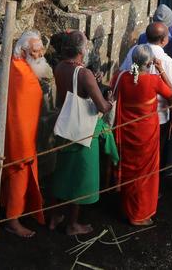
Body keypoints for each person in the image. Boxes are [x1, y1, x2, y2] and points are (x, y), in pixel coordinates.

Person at [49, 30, 116, 235]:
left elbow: (76, 86)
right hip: (82, 132)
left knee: (63, 173)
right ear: (81, 50)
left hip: (65, 126)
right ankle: (72, 224)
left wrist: (92, 79)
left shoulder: (60, 67)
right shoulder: (84, 74)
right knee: (79, 177)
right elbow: (102, 107)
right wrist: (110, 101)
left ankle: (54, 216)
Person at [0, 32, 48, 237]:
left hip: (22, 131)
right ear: (23, 51)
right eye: (35, 51)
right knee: (17, 173)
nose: (40, 54)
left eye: (41, 49)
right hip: (18, 136)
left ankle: (10, 210)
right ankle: (12, 220)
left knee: (13, 175)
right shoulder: (19, 71)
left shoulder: (19, 65)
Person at [113, 43, 172, 226]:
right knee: (145, 174)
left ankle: (128, 209)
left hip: (126, 131)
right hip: (146, 134)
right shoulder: (154, 80)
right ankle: (139, 215)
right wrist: (161, 70)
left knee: (130, 171)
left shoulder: (122, 78)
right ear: (149, 63)